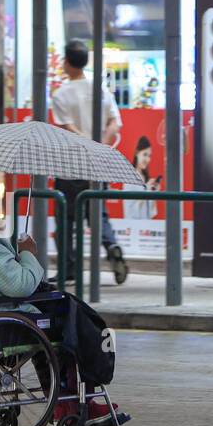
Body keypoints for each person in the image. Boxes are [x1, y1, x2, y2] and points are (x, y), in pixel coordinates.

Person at [0, 167, 131, 426]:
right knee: (67, 320)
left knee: (56, 312)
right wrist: (27, 253)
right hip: (1, 321)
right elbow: (20, 285)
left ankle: (61, 400)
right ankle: (79, 400)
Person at [51, 39, 128, 284]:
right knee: (98, 214)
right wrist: (99, 145)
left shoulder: (62, 94)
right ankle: (112, 245)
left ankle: (69, 268)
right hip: (98, 164)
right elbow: (115, 123)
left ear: (67, 63)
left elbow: (67, 127)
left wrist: (85, 143)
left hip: (71, 165)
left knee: (66, 218)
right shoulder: (101, 90)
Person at [122, 135, 161, 220]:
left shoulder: (146, 178)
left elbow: (151, 213)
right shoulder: (129, 177)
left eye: (149, 156)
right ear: (137, 153)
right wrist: (146, 191)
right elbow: (130, 211)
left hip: (146, 228)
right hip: (133, 228)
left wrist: (154, 192)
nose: (147, 159)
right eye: (145, 154)